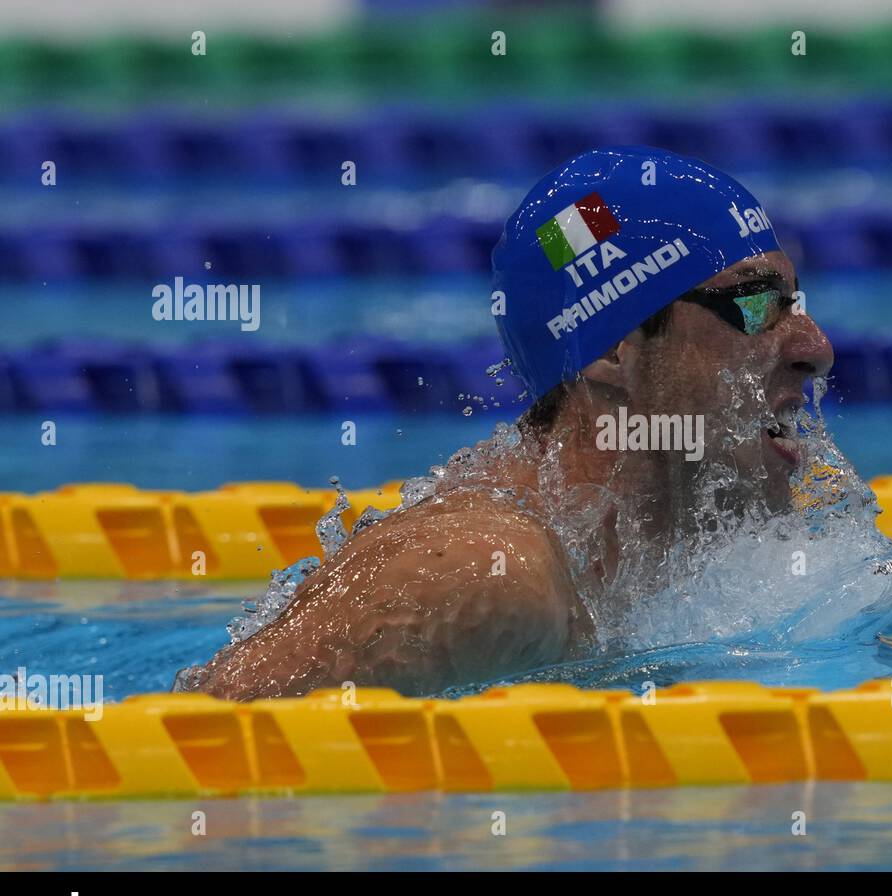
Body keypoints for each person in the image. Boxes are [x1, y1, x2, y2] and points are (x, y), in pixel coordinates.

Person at [183, 146, 833, 699]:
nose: (815, 348)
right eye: (754, 304)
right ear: (612, 348)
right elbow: (196, 759)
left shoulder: (670, 561)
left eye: (796, 303)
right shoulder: (486, 571)